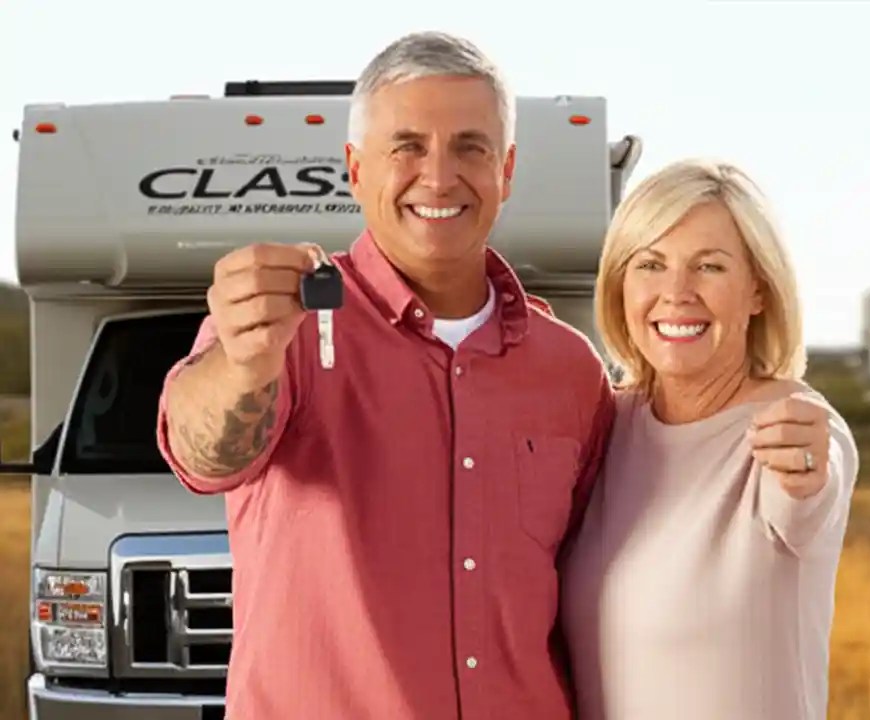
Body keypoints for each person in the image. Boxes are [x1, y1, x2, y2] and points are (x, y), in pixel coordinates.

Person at [155, 31, 616, 720]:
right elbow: (203, 452)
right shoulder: (290, 328)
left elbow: (597, 579)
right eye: (407, 146)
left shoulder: (571, 369)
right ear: (356, 168)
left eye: (470, 147)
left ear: (507, 170)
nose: (438, 176)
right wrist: (245, 365)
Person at [560, 158, 860, 720]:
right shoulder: (605, 425)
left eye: (710, 267)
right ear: (621, 285)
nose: (677, 293)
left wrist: (811, 470)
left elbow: (812, 488)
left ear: (758, 292)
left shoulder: (790, 423)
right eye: (651, 264)